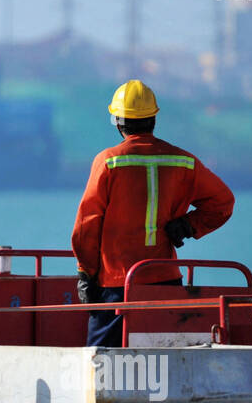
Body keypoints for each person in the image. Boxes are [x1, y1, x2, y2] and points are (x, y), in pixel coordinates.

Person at [72, 80, 235, 347]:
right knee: (166, 362)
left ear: (117, 120)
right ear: (153, 119)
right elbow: (223, 202)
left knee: (103, 366)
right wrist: (188, 225)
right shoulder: (183, 161)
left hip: (116, 285)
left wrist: (85, 274)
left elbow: (86, 226)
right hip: (166, 282)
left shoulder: (108, 162)